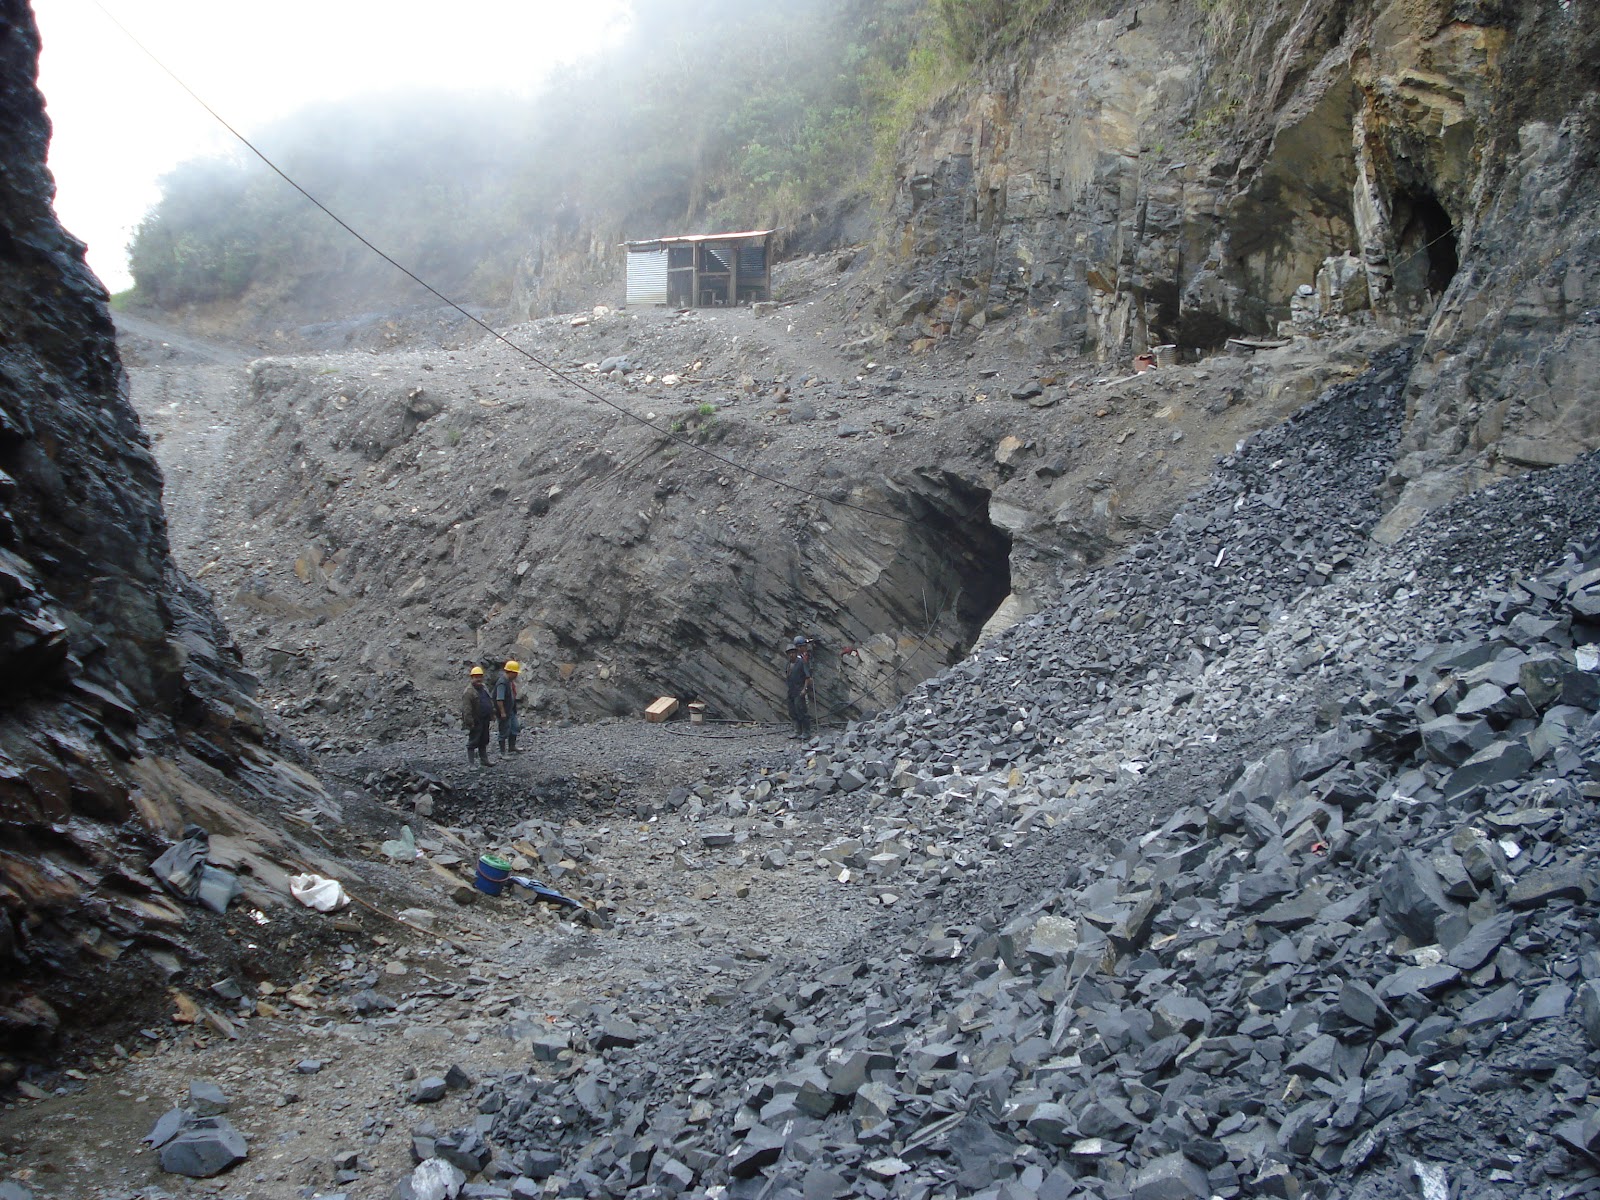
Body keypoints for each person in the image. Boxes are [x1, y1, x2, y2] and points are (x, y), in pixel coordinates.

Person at [460, 665, 493, 767]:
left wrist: (492, 713)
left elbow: (488, 701)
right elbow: (466, 709)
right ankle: (471, 764)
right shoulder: (468, 692)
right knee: (473, 741)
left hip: (485, 719)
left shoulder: (484, 688)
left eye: (480, 676)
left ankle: (484, 760)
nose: (478, 679)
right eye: (476, 677)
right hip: (476, 720)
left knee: (484, 739)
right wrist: (469, 722)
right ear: (472, 678)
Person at [785, 635, 814, 741]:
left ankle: (806, 732)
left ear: (796, 652)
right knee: (792, 712)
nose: (791, 655)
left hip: (799, 691)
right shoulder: (788, 664)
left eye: (793, 652)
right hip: (791, 691)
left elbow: (807, 677)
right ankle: (797, 731)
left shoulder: (801, 662)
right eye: (789, 653)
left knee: (802, 711)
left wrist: (804, 689)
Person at [495, 660, 522, 754]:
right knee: (504, 731)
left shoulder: (509, 682)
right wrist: (502, 712)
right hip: (504, 712)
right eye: (515, 673)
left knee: (515, 728)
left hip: (511, 710)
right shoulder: (502, 683)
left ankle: (512, 747)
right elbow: (499, 699)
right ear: (510, 672)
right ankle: (502, 752)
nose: (516, 675)